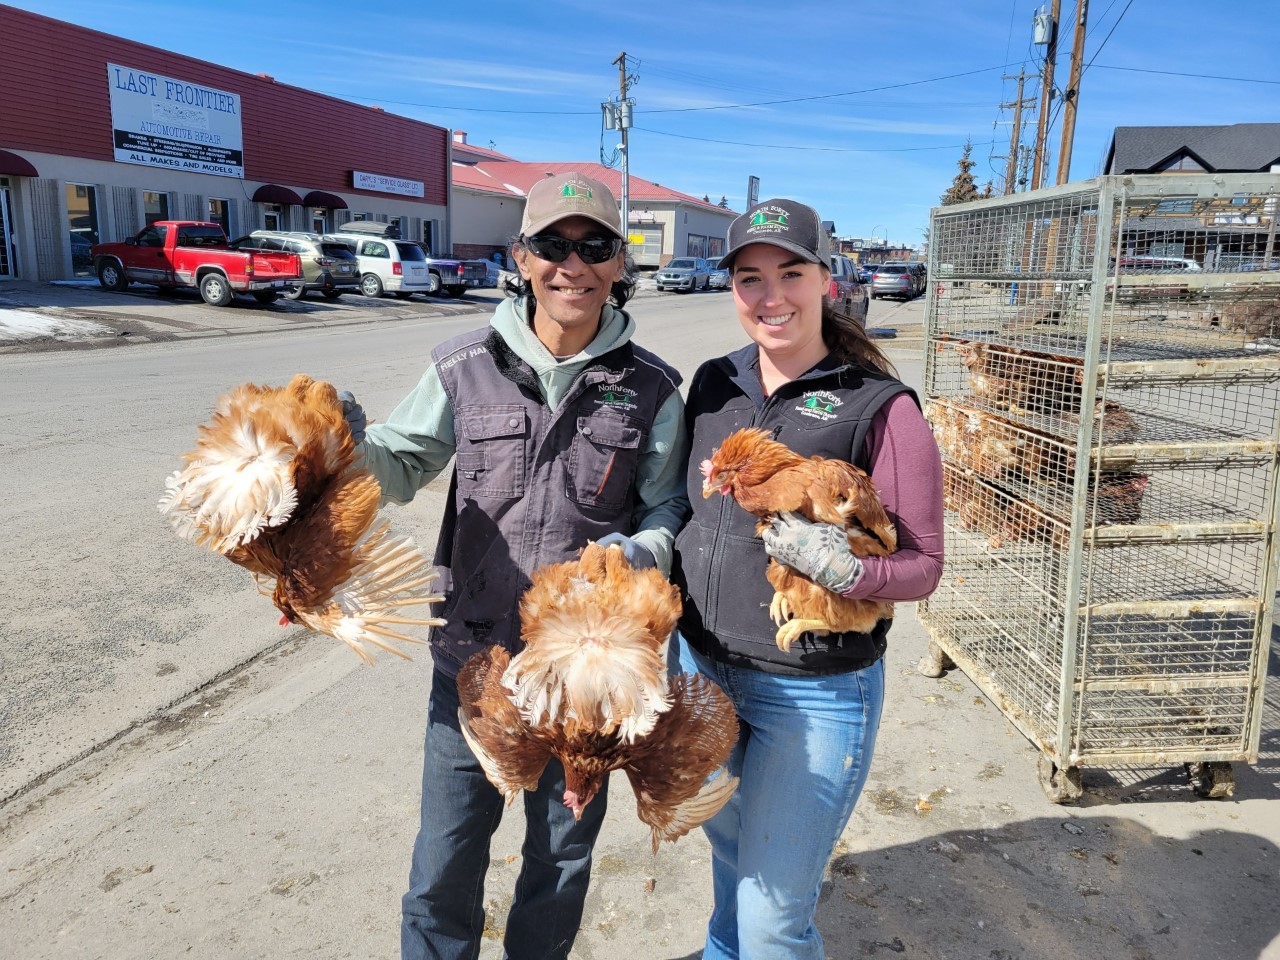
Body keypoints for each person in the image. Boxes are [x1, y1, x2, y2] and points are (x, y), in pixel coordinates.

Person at [340, 172, 689, 960]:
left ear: (618, 265)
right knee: (443, 865)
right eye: (553, 246)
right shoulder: (463, 365)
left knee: (559, 865)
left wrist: (641, 550)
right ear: (522, 258)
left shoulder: (652, 389)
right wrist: (345, 441)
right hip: (469, 665)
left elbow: (669, 508)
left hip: (586, 686)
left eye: (594, 247)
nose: (574, 265)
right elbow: (398, 466)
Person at [671, 197, 944, 959]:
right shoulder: (714, 385)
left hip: (814, 688)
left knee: (772, 920)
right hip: (702, 672)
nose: (771, 295)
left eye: (791, 272)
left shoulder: (878, 404)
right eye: (750, 277)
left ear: (827, 279)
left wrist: (846, 567)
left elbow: (922, 564)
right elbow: (681, 510)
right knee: (729, 872)